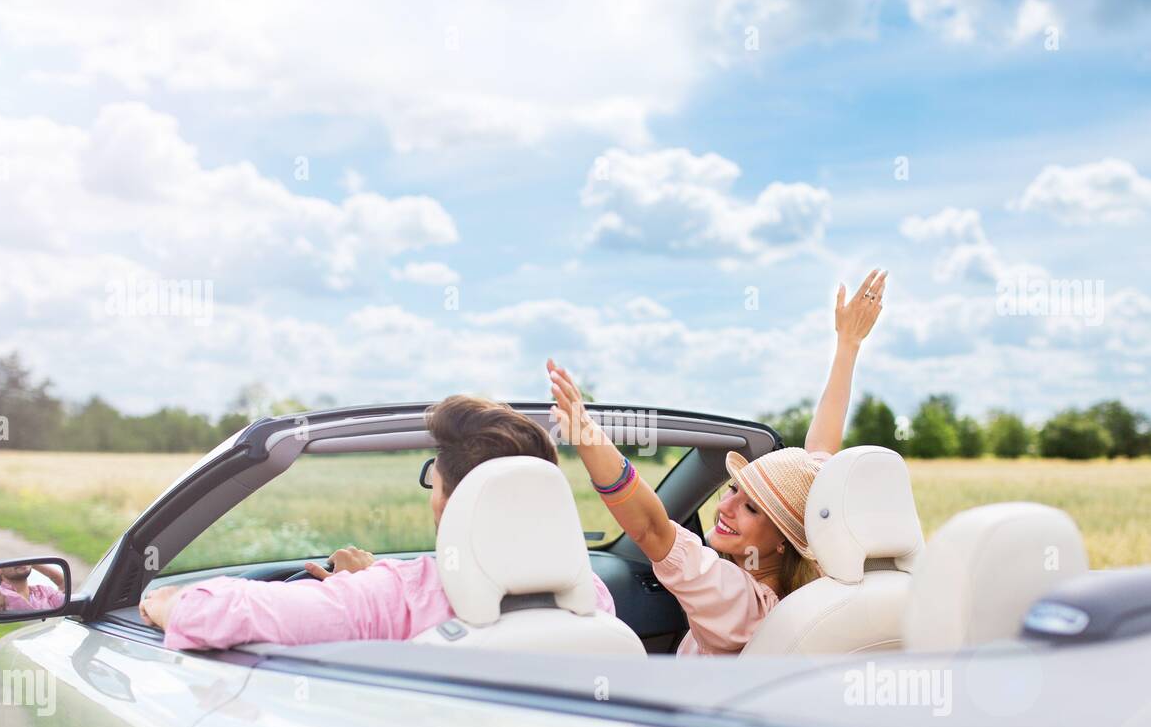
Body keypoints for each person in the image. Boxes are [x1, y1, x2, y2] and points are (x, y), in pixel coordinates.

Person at [548, 268, 886, 655]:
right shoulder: (822, 591)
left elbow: (652, 530)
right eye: (733, 489)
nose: (725, 507)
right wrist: (848, 344)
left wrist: (587, 436)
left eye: (751, 508)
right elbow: (820, 449)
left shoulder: (739, 602)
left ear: (784, 542)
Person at [138, 395, 616, 650]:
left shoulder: (388, 597)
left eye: (435, 481)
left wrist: (166, 601)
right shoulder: (590, 596)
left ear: (451, 501)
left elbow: (217, 614)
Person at [0, 563, 67, 613]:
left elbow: (64, 584)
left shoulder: (44, 591)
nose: (18, 561)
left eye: (20, 558)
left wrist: (31, 562)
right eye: (12, 560)